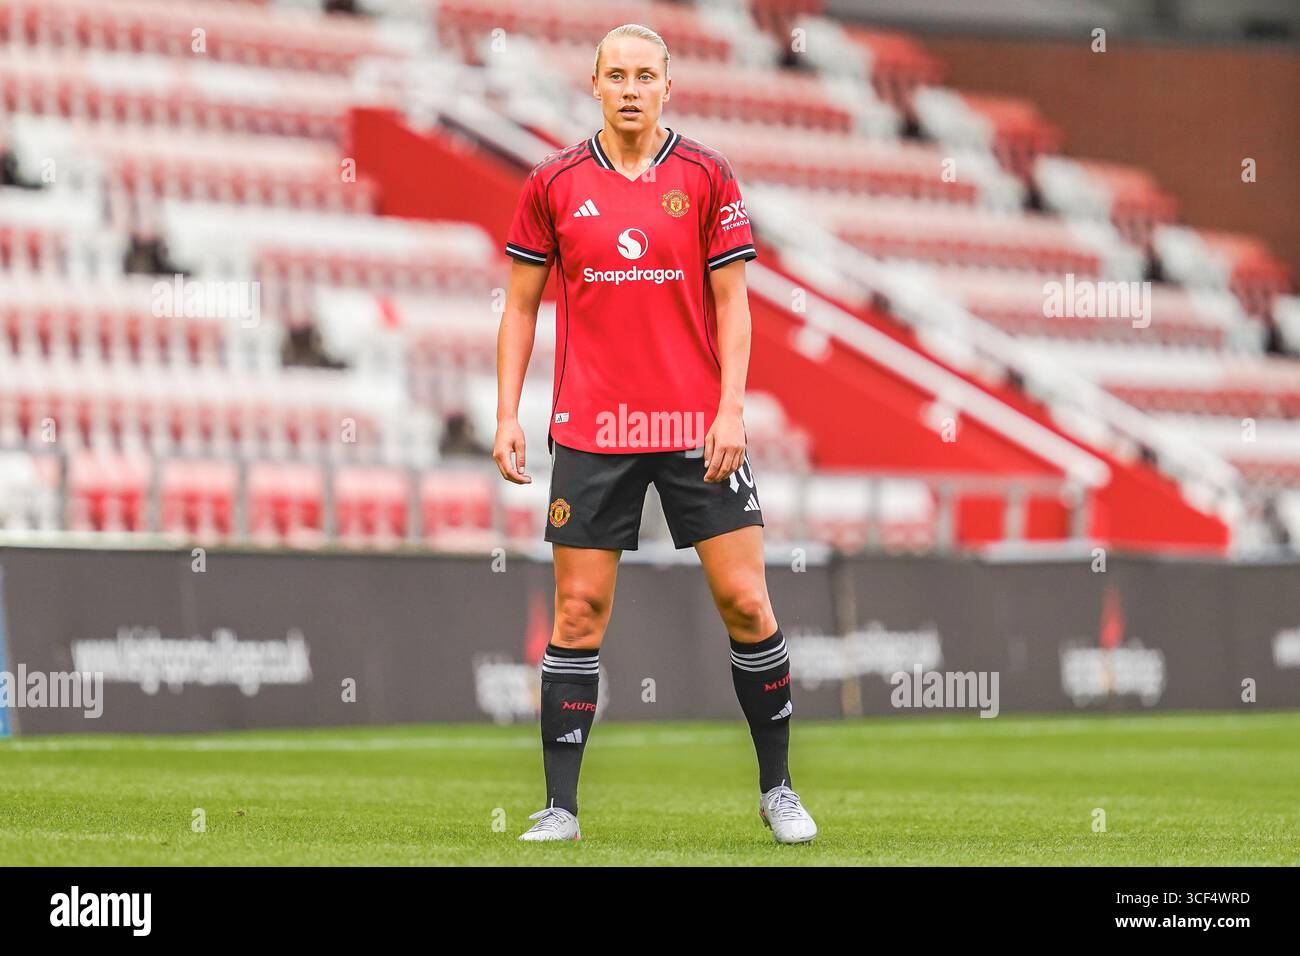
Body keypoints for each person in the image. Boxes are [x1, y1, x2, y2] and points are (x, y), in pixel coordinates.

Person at [493, 23, 815, 845]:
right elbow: (521, 306)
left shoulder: (707, 175)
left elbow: (734, 303)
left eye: (646, 75)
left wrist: (732, 407)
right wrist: (506, 415)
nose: (631, 88)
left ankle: (778, 789)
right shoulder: (554, 183)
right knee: (579, 612)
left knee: (747, 602)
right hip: (593, 428)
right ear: (594, 84)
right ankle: (560, 808)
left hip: (693, 425)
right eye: (617, 75)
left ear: (667, 87)